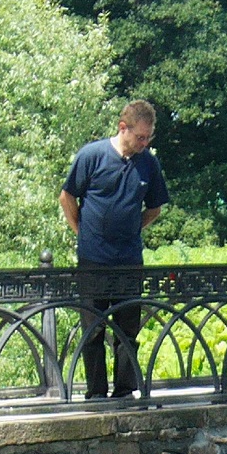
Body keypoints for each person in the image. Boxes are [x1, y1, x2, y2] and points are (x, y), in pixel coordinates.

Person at [59, 100, 167, 400]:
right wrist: (82, 231)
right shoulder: (91, 156)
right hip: (93, 260)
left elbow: (155, 207)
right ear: (123, 128)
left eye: (149, 138)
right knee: (93, 329)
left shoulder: (148, 163)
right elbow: (66, 197)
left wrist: (133, 228)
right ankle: (95, 394)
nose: (144, 143)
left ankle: (124, 392)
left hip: (129, 260)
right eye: (140, 137)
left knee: (127, 332)